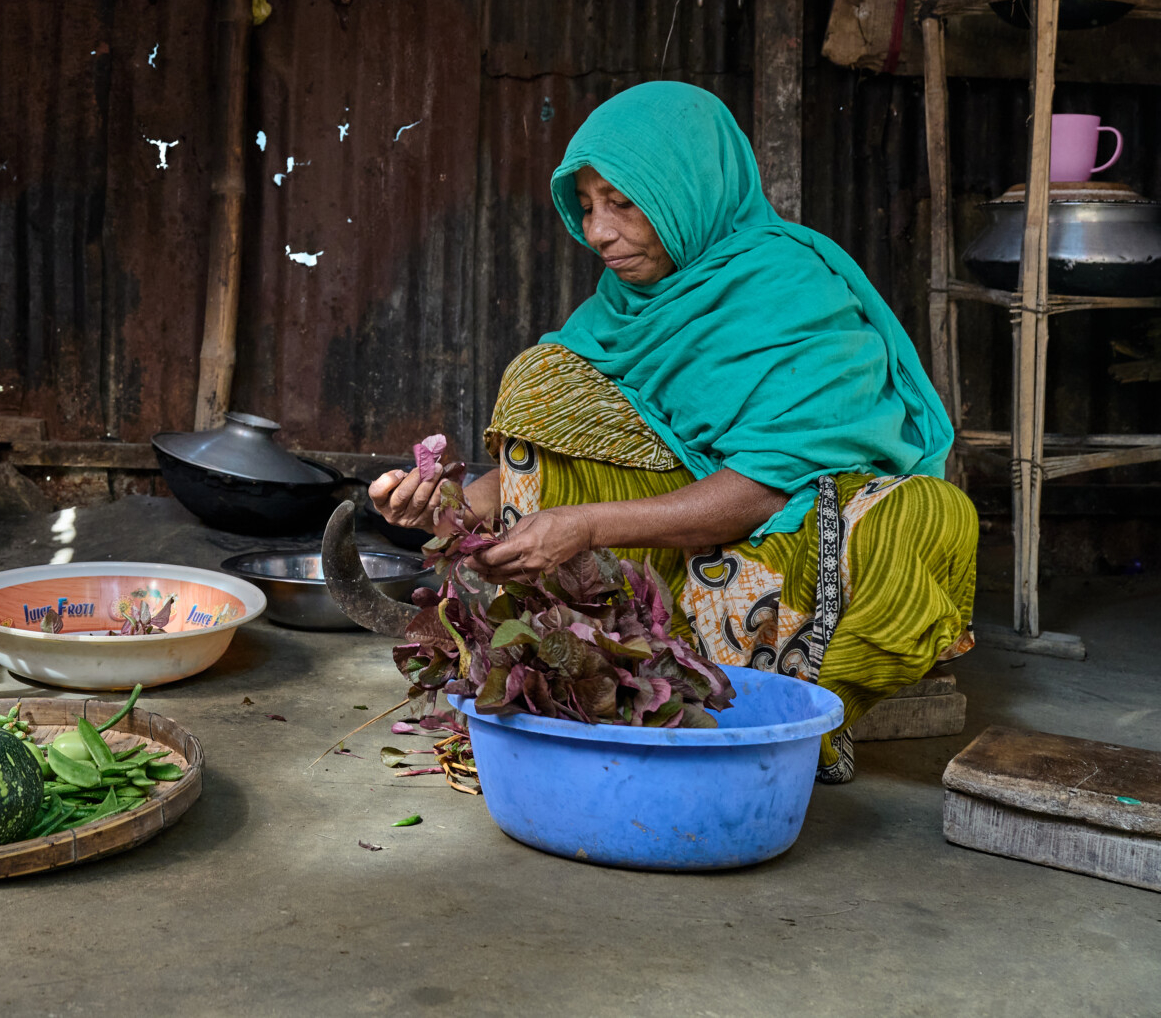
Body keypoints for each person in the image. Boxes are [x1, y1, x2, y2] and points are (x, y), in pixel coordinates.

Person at [370, 81, 975, 783]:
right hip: (662, 554)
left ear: (691, 187)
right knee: (543, 376)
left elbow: (763, 486)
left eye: (623, 203)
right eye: (589, 206)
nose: (598, 232)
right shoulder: (622, 308)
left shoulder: (790, 288)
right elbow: (557, 463)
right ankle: (611, 669)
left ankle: (806, 708)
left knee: (931, 519)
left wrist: (586, 526)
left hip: (796, 545)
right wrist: (447, 507)